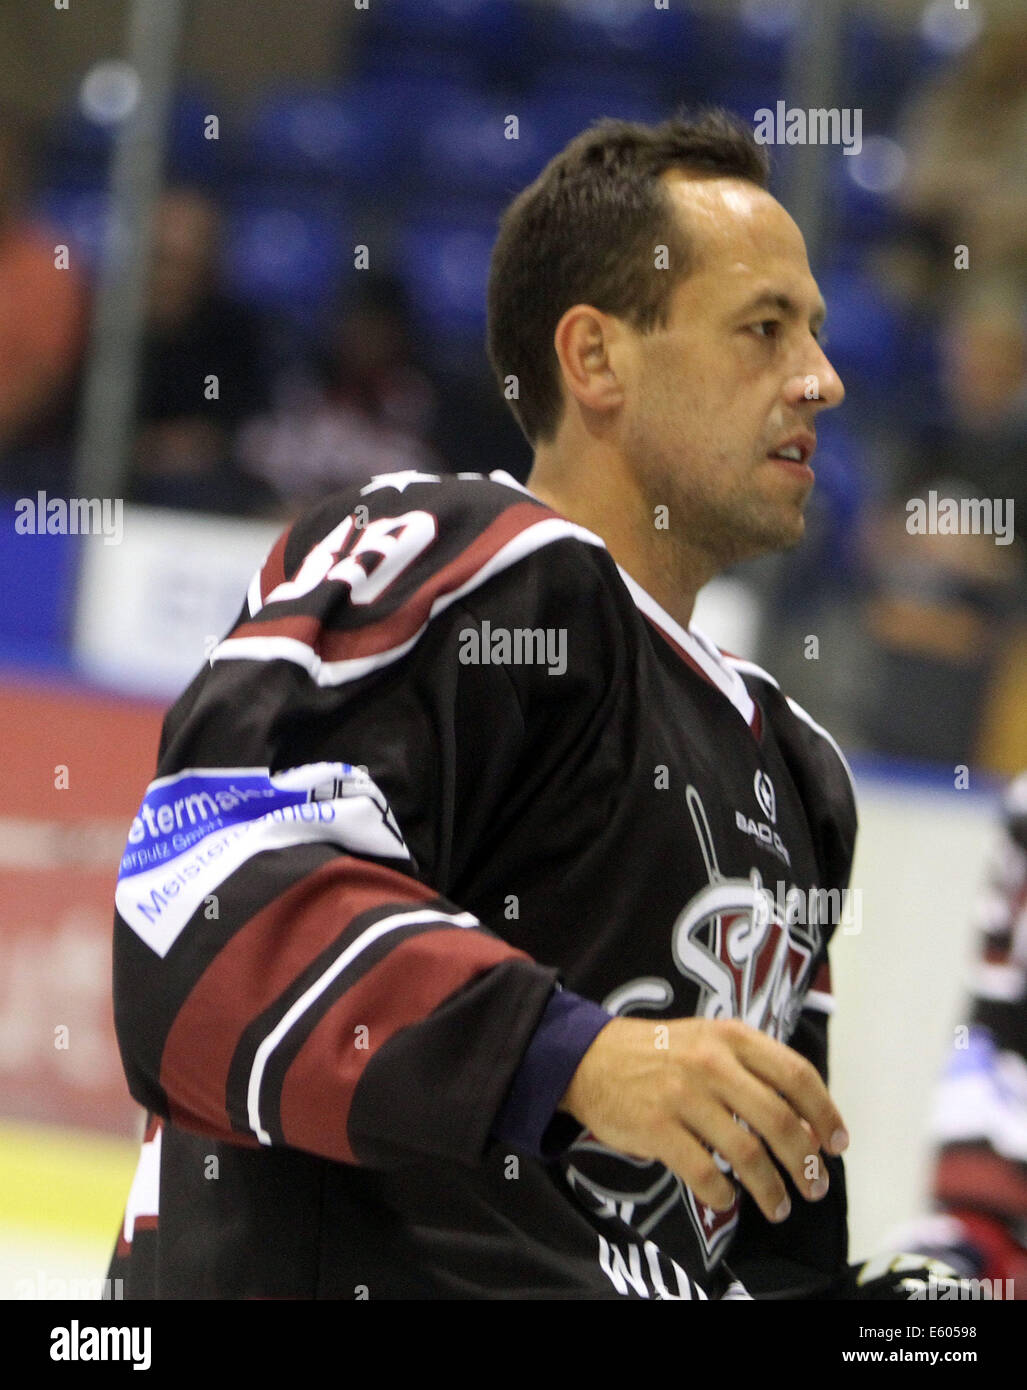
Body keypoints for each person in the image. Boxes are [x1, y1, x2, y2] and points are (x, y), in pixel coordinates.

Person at [106, 111, 943, 1300]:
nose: (822, 376)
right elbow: (197, 906)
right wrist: (576, 1058)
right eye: (763, 330)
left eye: (812, 330)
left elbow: (744, 1249)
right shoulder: (466, 554)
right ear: (594, 358)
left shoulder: (799, 777)